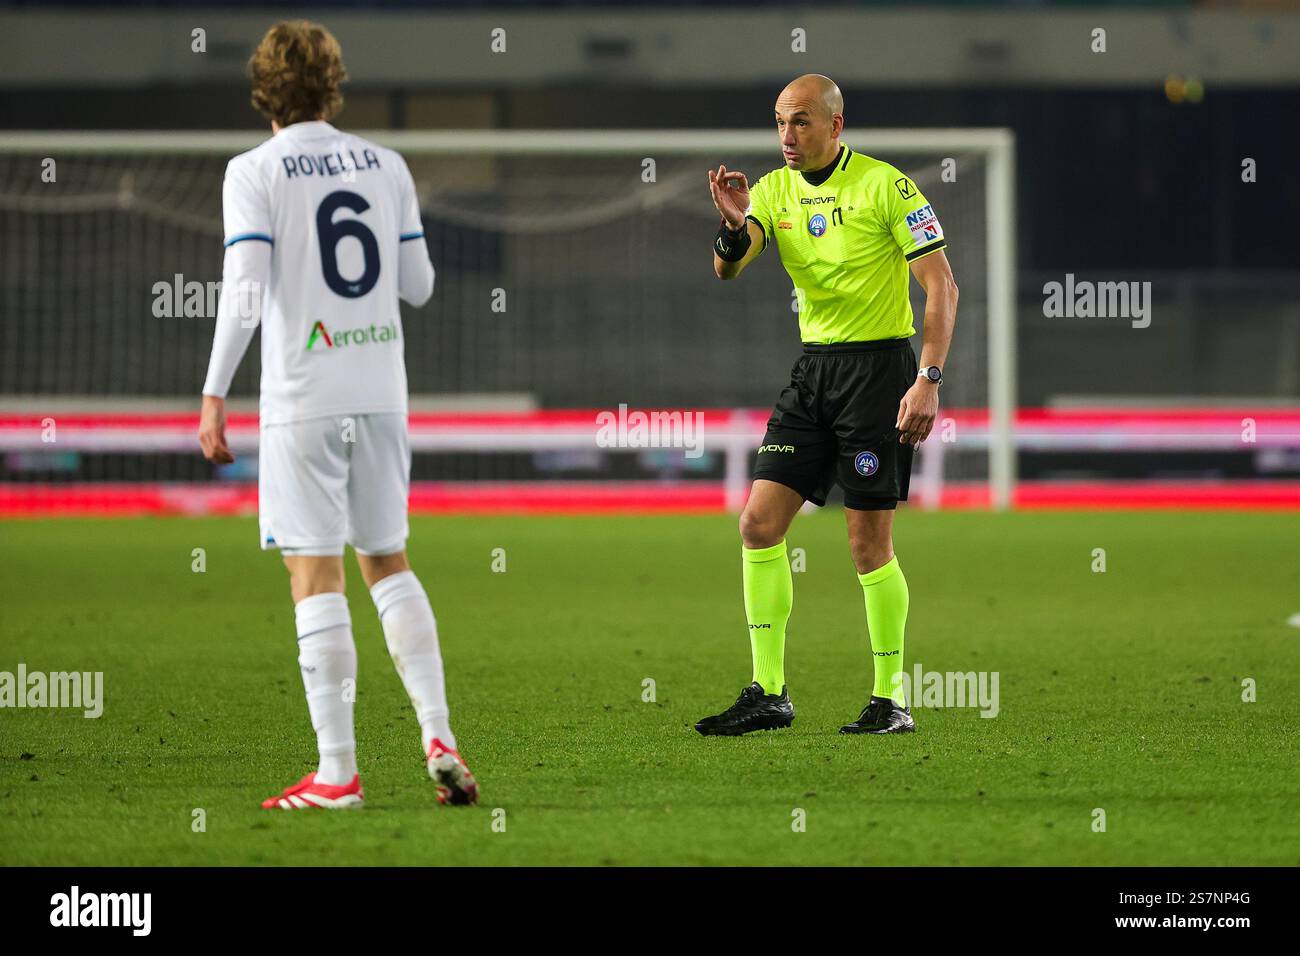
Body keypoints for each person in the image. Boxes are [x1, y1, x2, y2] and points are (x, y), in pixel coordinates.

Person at [198, 20, 478, 807]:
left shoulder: (253, 171)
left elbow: (246, 290)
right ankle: (438, 731)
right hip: (381, 392)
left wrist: (214, 390)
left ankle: (338, 773)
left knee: (311, 570)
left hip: (305, 397)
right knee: (387, 558)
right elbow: (418, 285)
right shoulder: (386, 165)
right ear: (335, 84)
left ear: (263, 92)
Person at [697, 73, 958, 736]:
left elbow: (942, 287)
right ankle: (769, 692)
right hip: (814, 374)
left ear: (836, 125)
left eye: (802, 122)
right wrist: (731, 228)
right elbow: (730, 267)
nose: (788, 135)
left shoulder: (887, 186)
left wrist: (928, 378)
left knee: (867, 543)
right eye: (781, 121)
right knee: (758, 524)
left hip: (879, 373)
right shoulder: (773, 190)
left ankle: (890, 699)